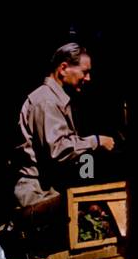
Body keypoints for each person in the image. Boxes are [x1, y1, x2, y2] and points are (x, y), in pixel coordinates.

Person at [12, 42, 114, 209]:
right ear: (63, 68)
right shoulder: (46, 101)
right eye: (85, 72)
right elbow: (58, 150)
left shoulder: (58, 100)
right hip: (37, 195)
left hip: (48, 192)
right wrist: (96, 141)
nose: (88, 78)